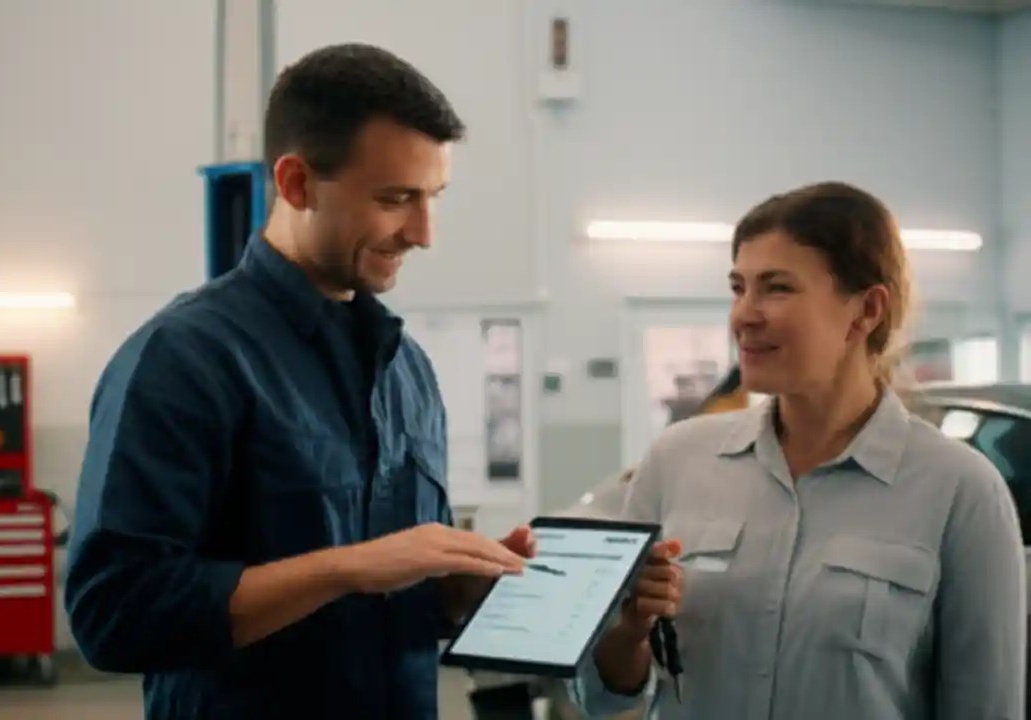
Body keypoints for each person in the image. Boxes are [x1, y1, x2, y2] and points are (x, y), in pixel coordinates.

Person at [65, 42, 685, 720]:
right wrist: (349, 567)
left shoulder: (406, 371)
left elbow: (401, 591)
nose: (423, 233)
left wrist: (466, 587)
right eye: (396, 199)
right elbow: (114, 614)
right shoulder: (183, 361)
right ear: (297, 183)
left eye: (434, 198)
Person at [575, 181, 1026, 719]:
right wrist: (628, 632)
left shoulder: (960, 491)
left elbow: (986, 706)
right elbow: (607, 695)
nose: (744, 314)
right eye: (738, 288)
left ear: (865, 311)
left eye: (777, 288)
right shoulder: (678, 461)